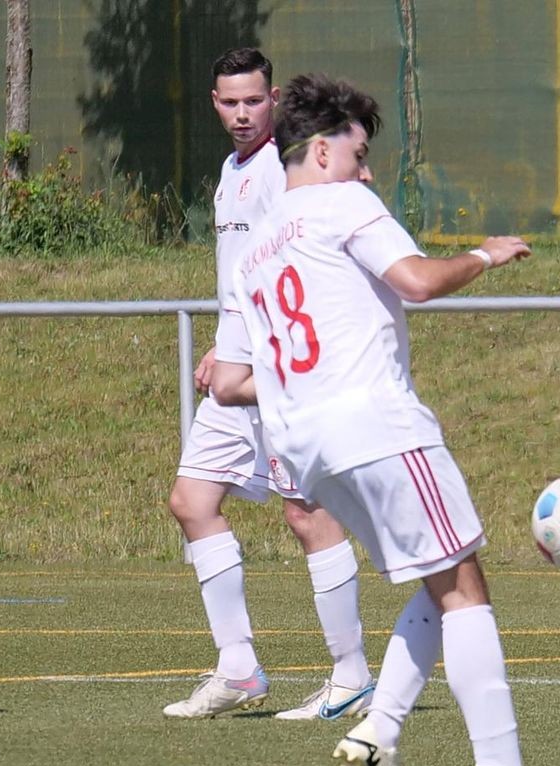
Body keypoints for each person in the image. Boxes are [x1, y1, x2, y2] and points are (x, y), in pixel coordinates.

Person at [215, 72, 560, 766]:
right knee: (465, 586)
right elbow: (416, 282)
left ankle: (379, 730)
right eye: (359, 154)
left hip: (308, 450)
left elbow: (233, 382)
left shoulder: (253, 252)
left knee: (440, 581)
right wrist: (483, 255)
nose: (368, 172)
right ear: (320, 151)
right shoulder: (342, 203)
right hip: (375, 425)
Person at [163, 48, 372, 721]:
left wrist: (255, 353)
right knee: (192, 500)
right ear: (214, 103)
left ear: (274, 100)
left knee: (306, 514)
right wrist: (225, 346)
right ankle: (239, 669)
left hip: (277, 371)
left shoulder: (285, 171)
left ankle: (351, 674)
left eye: (253, 100)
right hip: (237, 367)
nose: (242, 114)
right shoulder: (232, 173)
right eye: (229, 102)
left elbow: (298, 263)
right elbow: (241, 277)